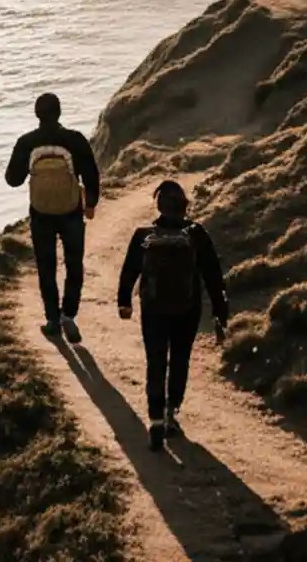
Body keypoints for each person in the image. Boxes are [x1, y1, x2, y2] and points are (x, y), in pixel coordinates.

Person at [117, 179, 229, 451]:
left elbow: (130, 271)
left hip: (153, 308)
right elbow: (213, 275)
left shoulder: (143, 234)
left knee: (155, 359)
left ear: (158, 205)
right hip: (187, 309)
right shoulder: (196, 233)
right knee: (180, 358)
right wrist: (220, 311)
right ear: (184, 206)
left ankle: (155, 419)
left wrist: (124, 302)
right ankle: (171, 413)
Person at [5, 92, 100, 343]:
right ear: (59, 112)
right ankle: (68, 315)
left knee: (46, 267)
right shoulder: (74, 140)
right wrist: (90, 204)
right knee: (73, 263)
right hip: (71, 210)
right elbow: (91, 173)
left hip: (41, 213)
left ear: (37, 114)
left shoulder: (27, 142)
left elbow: (12, 180)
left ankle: (51, 320)